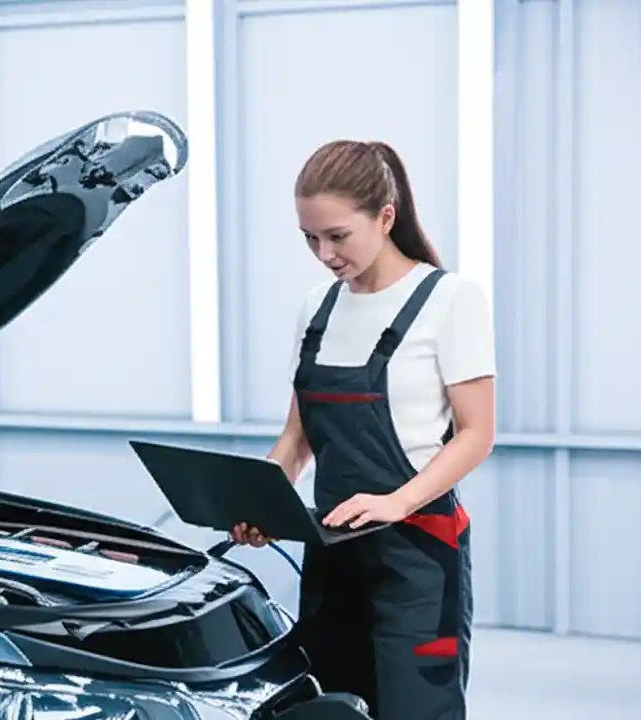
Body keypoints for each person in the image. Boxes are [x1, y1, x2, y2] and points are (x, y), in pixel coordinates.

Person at [231, 140, 496, 719]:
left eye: (337, 236)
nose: (324, 254)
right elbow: (296, 442)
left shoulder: (450, 300)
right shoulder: (318, 308)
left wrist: (395, 503)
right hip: (332, 553)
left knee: (415, 708)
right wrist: (263, 502)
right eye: (310, 238)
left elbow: (477, 434)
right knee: (330, 707)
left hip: (418, 559)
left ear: (385, 217)